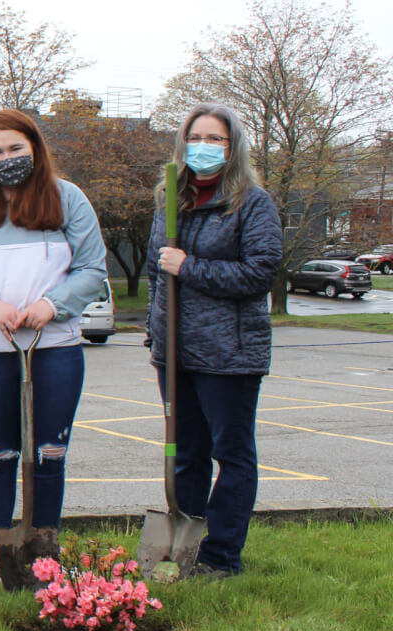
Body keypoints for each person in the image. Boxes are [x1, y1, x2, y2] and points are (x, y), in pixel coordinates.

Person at [0, 109, 107, 587]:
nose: (6, 158)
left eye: (16, 148)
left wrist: (55, 304)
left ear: (34, 147)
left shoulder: (67, 199)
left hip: (54, 349)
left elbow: (93, 268)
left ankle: (45, 554)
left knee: (50, 452)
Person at [147, 103, 281, 579]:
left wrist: (191, 268)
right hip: (176, 355)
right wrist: (154, 335)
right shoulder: (170, 199)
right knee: (186, 456)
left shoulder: (252, 203)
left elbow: (260, 272)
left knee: (232, 455)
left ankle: (221, 556)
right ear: (183, 145)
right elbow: (154, 274)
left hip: (229, 355)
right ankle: (183, 550)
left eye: (216, 140)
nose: (204, 148)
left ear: (233, 147)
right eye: (196, 138)